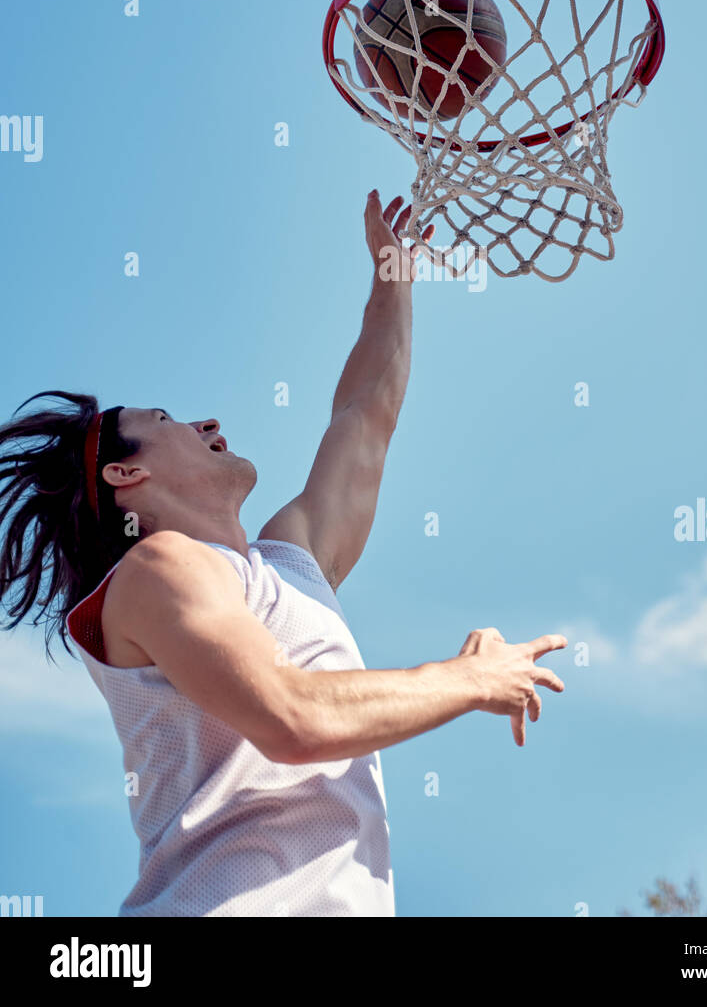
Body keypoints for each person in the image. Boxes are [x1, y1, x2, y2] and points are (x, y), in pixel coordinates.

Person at [0, 191, 566, 917]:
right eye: (167, 420)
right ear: (126, 474)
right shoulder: (156, 570)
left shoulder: (289, 564)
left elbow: (364, 418)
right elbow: (291, 717)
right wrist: (465, 679)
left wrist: (391, 283)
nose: (205, 420)